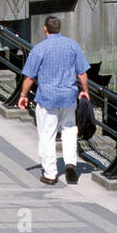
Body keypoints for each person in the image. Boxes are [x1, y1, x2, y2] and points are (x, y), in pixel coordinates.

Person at [17, 16, 90, 185]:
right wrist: (85, 91)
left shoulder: (39, 49)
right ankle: (71, 162)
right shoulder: (72, 45)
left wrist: (23, 96)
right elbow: (82, 73)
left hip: (47, 98)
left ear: (45, 29)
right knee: (70, 129)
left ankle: (50, 173)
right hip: (68, 96)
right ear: (59, 28)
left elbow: (29, 77)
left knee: (47, 135)